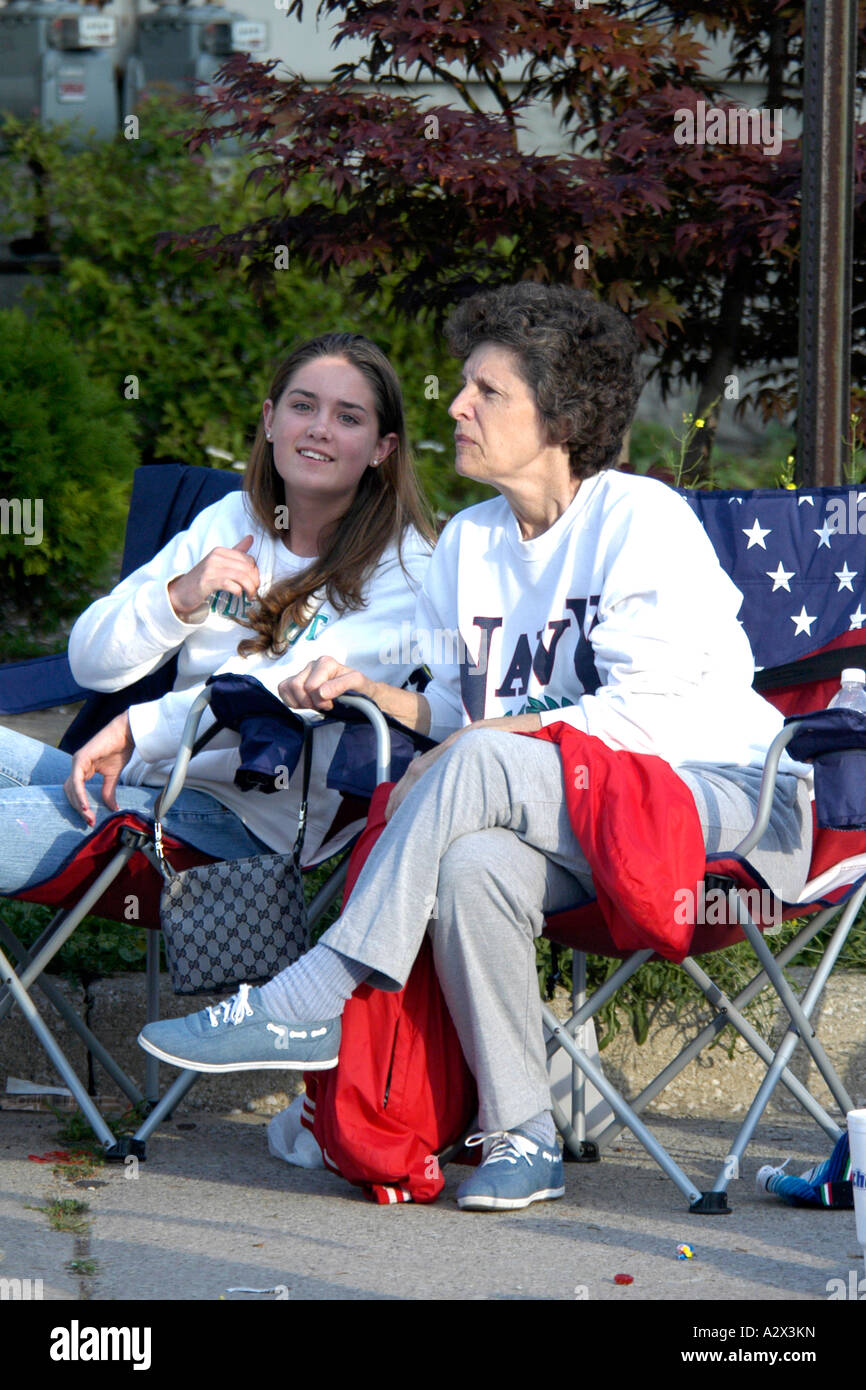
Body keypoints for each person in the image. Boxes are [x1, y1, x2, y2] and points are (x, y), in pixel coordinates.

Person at [138, 285, 813, 1211]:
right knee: (475, 865)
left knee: (483, 766)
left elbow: (644, 717)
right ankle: (523, 1135)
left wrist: (477, 744)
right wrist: (375, 695)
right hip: (579, 814)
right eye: (464, 387)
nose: (455, 406)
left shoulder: (638, 521)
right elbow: (465, 723)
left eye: (486, 392)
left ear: (561, 415)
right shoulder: (470, 541)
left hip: (720, 800)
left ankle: (317, 993)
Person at [0, 333, 435, 890]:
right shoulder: (231, 519)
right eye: (303, 406)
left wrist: (139, 728)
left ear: (382, 448)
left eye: (349, 418)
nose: (320, 428)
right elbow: (89, 663)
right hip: (142, 792)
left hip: (244, 830)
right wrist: (179, 598)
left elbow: (284, 691)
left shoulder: (406, 567)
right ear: (271, 420)